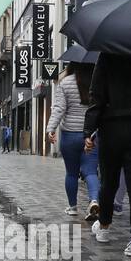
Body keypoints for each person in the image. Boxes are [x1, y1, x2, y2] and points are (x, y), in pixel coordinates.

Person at [85, 52, 131, 259]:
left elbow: (96, 94)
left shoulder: (108, 54)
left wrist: (88, 131)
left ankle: (104, 227)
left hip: (112, 128)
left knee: (109, 181)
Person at [46, 62, 100, 220]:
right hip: (91, 135)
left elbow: (59, 109)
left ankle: (73, 207)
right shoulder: (97, 81)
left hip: (69, 135)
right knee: (90, 171)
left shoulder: (66, 82)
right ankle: (94, 200)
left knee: (71, 173)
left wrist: (50, 129)